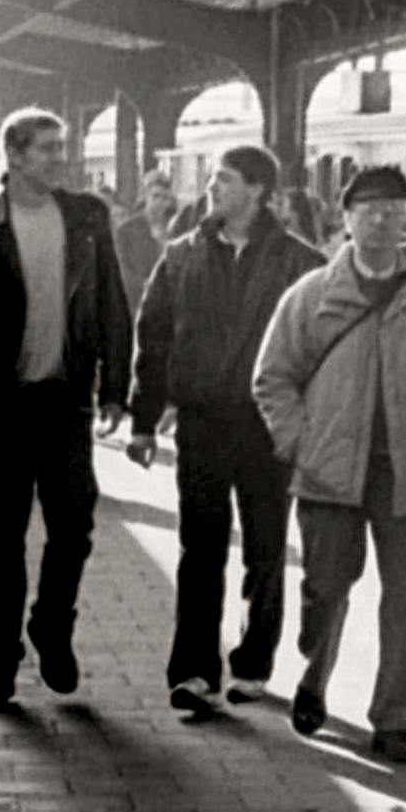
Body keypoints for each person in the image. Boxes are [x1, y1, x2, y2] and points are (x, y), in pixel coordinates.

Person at [252, 161, 406, 766]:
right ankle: (313, 678)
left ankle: (394, 719)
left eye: (393, 210)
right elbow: (273, 377)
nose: (381, 221)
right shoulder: (312, 297)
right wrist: (300, 444)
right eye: (369, 210)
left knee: (404, 598)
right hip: (330, 473)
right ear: (347, 220)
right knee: (327, 587)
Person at [0, 110, 134, 711]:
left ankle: (51, 624)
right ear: (13, 156)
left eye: (61, 147)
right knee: (2, 543)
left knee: (74, 524)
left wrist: (116, 386)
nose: (59, 158)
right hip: (2, 407)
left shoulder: (87, 217)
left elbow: (113, 304)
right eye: (46, 149)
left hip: (65, 399)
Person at [125, 148, 323, 713]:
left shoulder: (299, 263)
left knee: (265, 549)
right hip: (202, 422)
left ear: (258, 190)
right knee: (200, 548)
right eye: (213, 178)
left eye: (225, 179)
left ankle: (253, 664)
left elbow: (319, 348)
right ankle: (192, 672)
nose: (212, 188)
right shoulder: (182, 255)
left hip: (268, 427)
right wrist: (143, 421)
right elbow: (154, 336)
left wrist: (308, 426)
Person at [112, 164, 182, 302]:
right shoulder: (126, 231)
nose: (160, 203)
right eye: (155, 196)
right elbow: (122, 271)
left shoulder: (175, 229)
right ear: (145, 197)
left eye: (165, 198)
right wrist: (149, 286)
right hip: (137, 302)